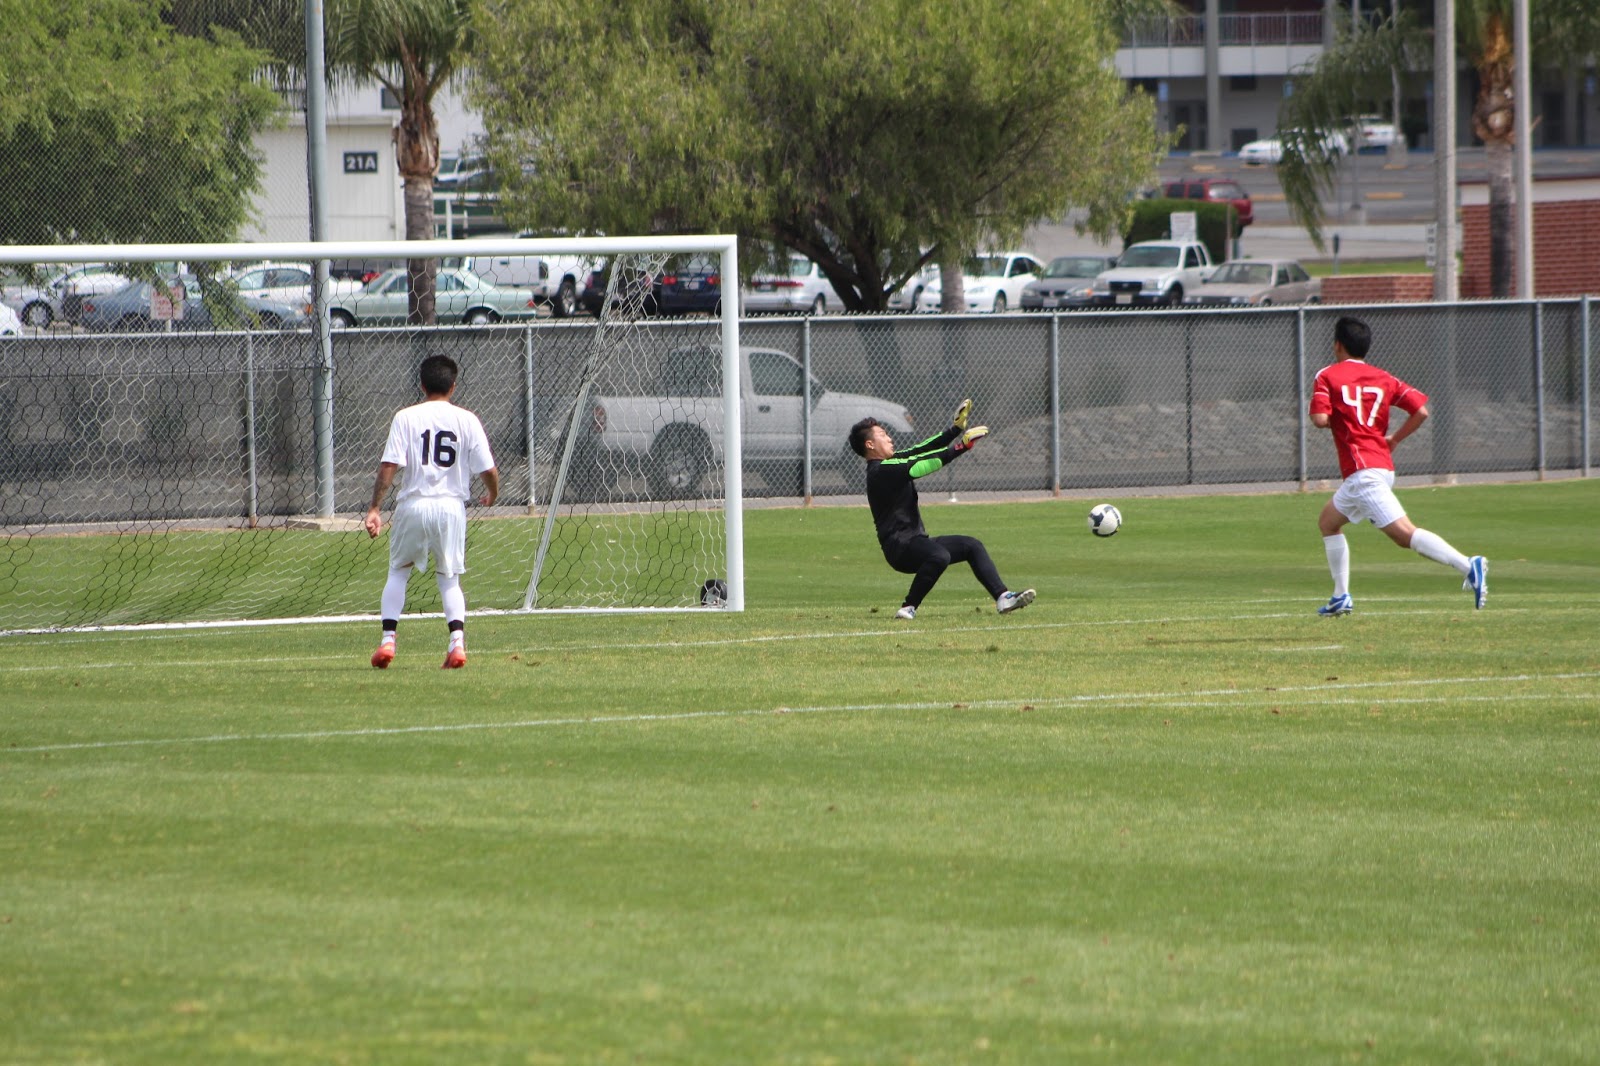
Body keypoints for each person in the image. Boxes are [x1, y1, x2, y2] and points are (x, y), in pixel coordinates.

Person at [1310, 315, 1486, 616]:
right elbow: (1421, 411)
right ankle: (1341, 596)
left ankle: (1469, 565)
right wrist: (1394, 440)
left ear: (1337, 345)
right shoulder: (1384, 377)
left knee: (1405, 535)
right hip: (1378, 467)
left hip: (1364, 472)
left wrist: (1332, 415)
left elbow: (1320, 420)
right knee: (1328, 522)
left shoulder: (1327, 375)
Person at [365, 354, 499, 668]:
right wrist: (492, 494)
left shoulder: (405, 417)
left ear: (422, 385)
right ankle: (457, 644)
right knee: (449, 578)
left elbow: (389, 466)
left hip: (413, 504)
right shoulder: (467, 419)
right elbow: (488, 469)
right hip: (451, 507)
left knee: (399, 571)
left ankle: (387, 641)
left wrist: (375, 508)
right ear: (453, 386)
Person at [847, 399, 1034, 620]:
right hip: (900, 547)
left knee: (971, 546)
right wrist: (960, 447)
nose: (889, 438)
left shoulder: (890, 463)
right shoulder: (881, 471)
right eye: (883, 434)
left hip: (915, 541)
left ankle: (1004, 597)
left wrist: (955, 429)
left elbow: (922, 449)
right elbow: (922, 464)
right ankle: (908, 607)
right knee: (940, 556)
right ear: (870, 445)